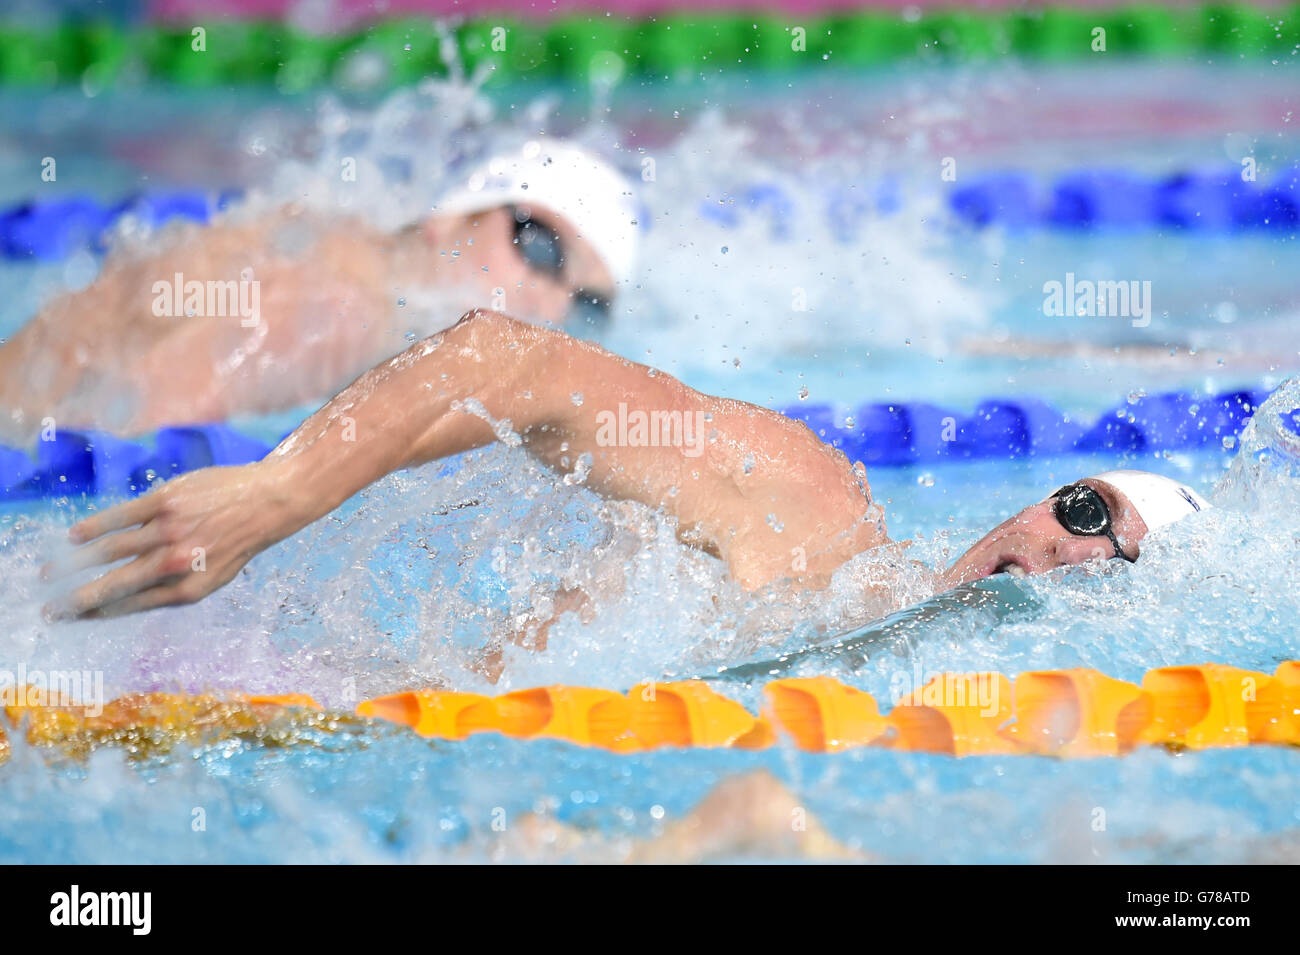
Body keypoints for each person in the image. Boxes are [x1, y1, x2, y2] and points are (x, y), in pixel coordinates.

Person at [45, 307, 1211, 622]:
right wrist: (281, 488)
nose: (1068, 549)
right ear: (1032, 496)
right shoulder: (809, 516)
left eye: (1114, 560)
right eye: (1078, 506)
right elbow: (507, 363)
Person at [0, 140, 637, 438]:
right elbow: (131, 435)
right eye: (543, 248)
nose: (550, 305)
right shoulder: (343, 310)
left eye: (588, 306)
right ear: (453, 213)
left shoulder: (329, 238)